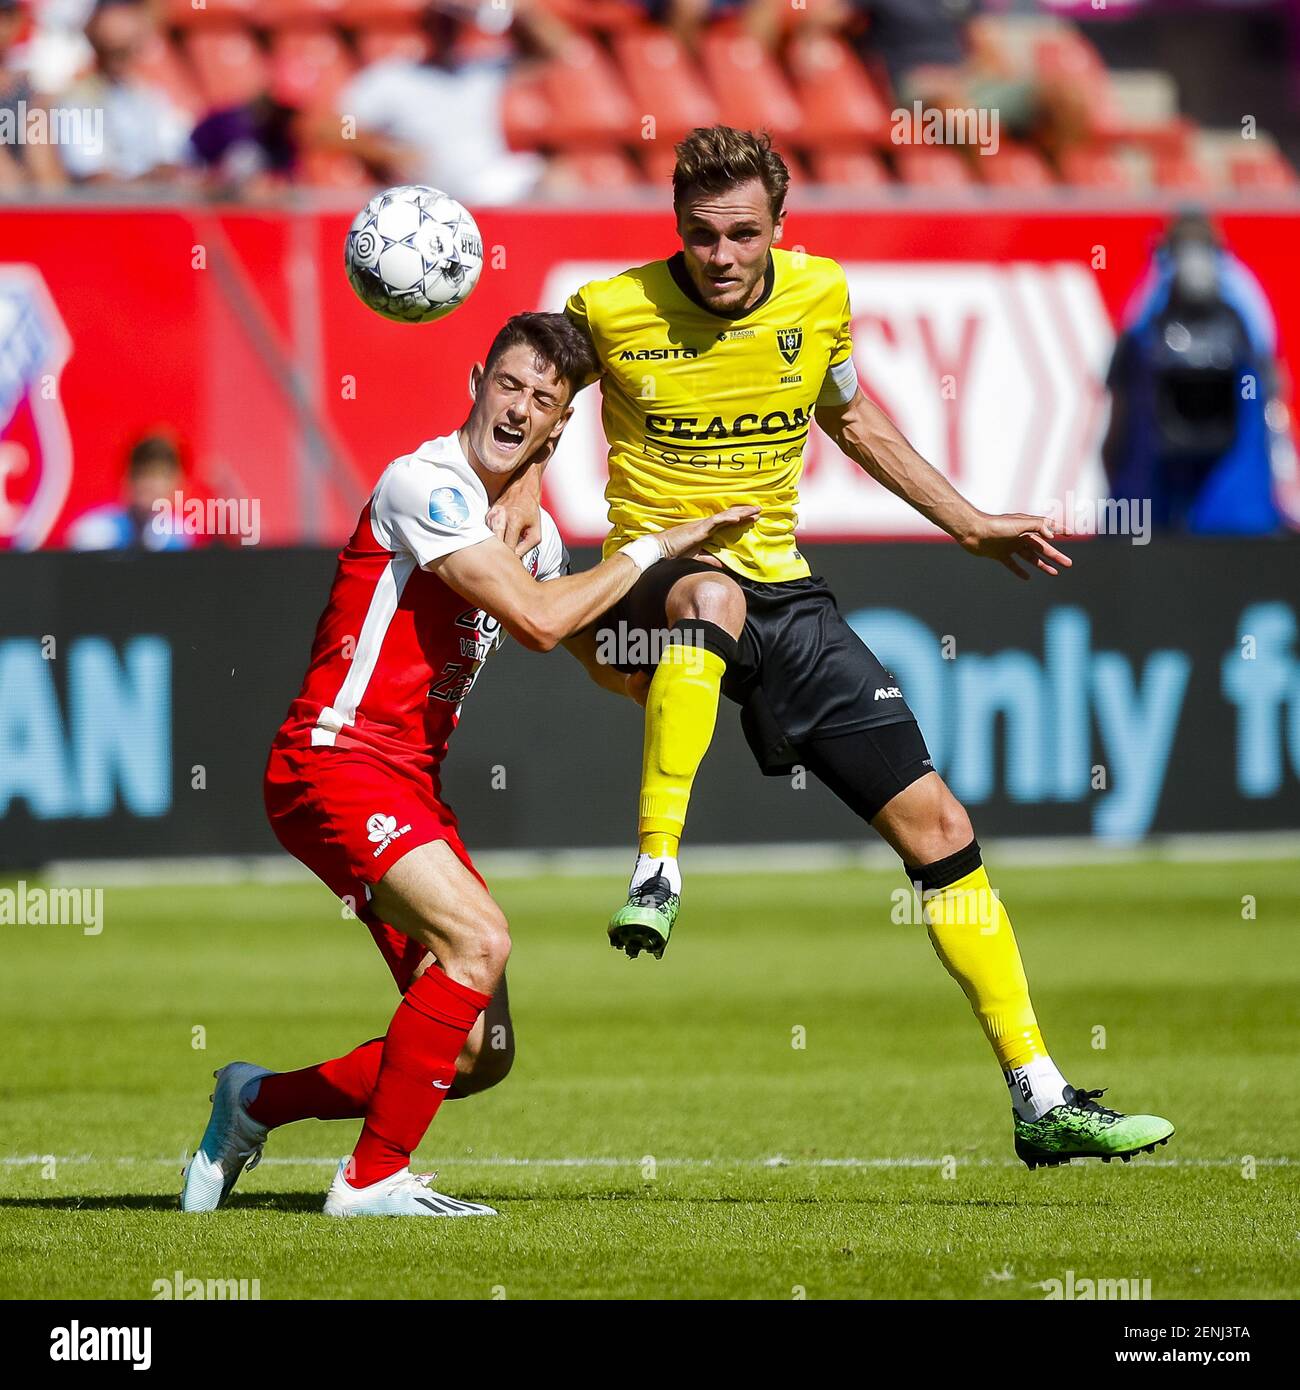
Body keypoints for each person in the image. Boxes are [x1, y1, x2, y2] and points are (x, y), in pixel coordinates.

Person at [489, 127, 1175, 1170]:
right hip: (651, 581)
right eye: (701, 234)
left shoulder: (819, 296)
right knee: (710, 590)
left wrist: (969, 521)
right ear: (676, 226)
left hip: (789, 600)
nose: (721, 256)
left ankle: (1040, 1098)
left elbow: (855, 422)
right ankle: (657, 869)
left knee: (940, 825)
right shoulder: (611, 308)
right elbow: (538, 392)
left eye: (743, 234)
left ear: (779, 226)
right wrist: (528, 492)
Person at [180, 312, 755, 1217]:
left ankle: (254, 1101)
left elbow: (597, 657)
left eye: (543, 400)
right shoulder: (423, 484)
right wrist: (658, 546)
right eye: (509, 384)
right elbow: (537, 621)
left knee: (479, 1053)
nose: (519, 408)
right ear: (476, 381)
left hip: (409, 781)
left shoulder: (537, 536)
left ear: (559, 425)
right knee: (480, 940)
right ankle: (370, 1180)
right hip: (334, 757)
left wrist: (691, 674)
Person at [58, 0, 190, 183]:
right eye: (112, 50)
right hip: (115, 200)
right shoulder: (77, 101)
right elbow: (96, 179)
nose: (119, 60)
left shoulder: (151, 95)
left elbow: (173, 159)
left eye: (125, 49)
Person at [66, 431, 194, 551]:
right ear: (126, 478)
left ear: (178, 483)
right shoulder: (95, 532)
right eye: (142, 473)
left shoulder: (179, 535)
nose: (149, 484)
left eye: (161, 475)